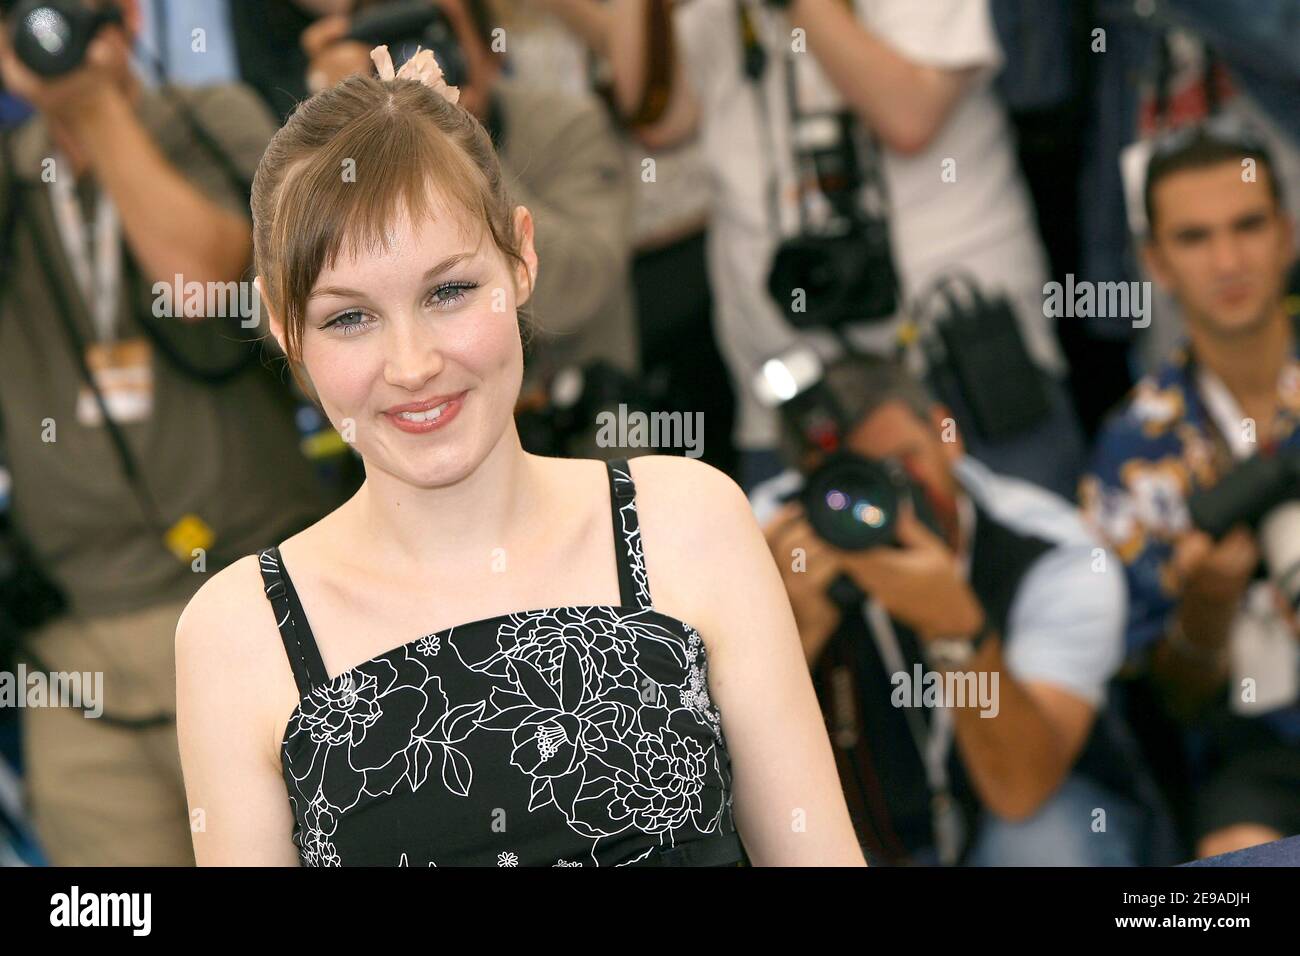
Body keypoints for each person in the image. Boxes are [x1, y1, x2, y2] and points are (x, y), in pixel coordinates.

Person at [174, 49, 865, 867]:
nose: (412, 364)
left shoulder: (689, 522)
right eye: (349, 318)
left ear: (522, 257)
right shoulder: (236, 634)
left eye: (449, 292)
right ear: (284, 325)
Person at [0, 0, 333, 864]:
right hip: (77, 649)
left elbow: (197, 281)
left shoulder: (210, 116)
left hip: (254, 589)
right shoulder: (10, 177)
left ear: (133, 16)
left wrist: (96, 107)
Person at [565, 0, 1081, 496]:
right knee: (812, 581)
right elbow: (655, 114)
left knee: (1016, 567)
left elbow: (909, 115)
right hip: (787, 387)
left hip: (958, 361)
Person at [754, 356, 1146, 866]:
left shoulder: (1056, 551)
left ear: (947, 433)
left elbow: (1020, 790)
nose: (882, 505)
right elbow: (720, 768)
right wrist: (791, 633)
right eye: (852, 485)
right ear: (806, 481)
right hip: (861, 832)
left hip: (1021, 817)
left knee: (1046, 844)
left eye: (900, 466)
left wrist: (957, 631)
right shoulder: (771, 536)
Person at [1081, 123, 1300, 858]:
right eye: (1195, 238)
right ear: (1156, 262)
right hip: (1264, 747)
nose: (1229, 260)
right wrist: (1205, 608)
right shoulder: (1133, 446)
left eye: (1248, 226)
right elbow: (1173, 702)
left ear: (1288, 234)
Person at [300, 0, 641, 411]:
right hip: (423, 432)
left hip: (583, 425)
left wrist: (454, 144)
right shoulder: (342, 158)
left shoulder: (567, 125)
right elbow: (293, 326)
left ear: (492, 49)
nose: (418, 64)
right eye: (392, 50)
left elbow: (579, 289)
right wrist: (333, 133)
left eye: (437, 34)